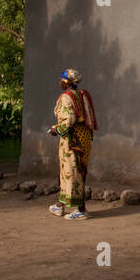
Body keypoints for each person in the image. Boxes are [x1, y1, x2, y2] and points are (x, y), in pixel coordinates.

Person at [46, 68, 97, 220]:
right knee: (75, 171)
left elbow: (69, 120)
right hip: (85, 137)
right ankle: (60, 205)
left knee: (73, 172)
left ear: (65, 82)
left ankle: (81, 209)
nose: (59, 83)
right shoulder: (84, 94)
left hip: (72, 139)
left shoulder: (66, 97)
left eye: (61, 80)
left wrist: (55, 129)